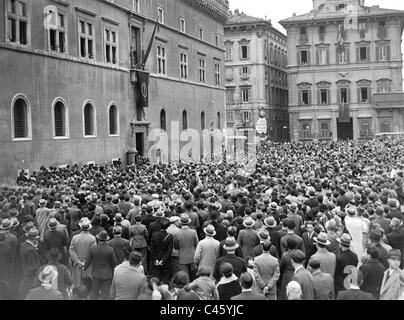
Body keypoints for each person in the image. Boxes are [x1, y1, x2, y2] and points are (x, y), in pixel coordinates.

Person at [84, 230, 117, 300]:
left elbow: (87, 262)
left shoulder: (92, 248)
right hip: (107, 275)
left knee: (94, 293)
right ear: (106, 240)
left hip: (96, 274)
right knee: (105, 294)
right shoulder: (110, 250)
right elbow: (114, 263)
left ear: (98, 239)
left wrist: (84, 268)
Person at [69, 218, 96, 289]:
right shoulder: (92, 238)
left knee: (77, 282)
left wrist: (77, 262)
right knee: (87, 281)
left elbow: (71, 250)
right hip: (88, 264)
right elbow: (93, 252)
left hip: (77, 263)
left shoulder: (75, 237)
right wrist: (85, 263)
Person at [174, 214, 199, 282]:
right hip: (192, 255)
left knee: (185, 276)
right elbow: (197, 244)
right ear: (188, 222)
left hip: (182, 257)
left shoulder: (176, 234)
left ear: (181, 222)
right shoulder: (193, 232)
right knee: (194, 276)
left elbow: (176, 247)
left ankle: (187, 289)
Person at [19, 227, 42, 299]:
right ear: (34, 239)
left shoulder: (23, 244)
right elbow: (33, 267)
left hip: (25, 273)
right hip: (31, 278)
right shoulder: (31, 250)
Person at [150, 218, 174, 284]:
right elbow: (169, 250)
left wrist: (155, 260)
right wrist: (163, 260)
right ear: (168, 226)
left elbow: (152, 249)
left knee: (156, 279)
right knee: (166, 280)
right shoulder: (170, 236)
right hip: (166, 261)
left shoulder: (154, 235)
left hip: (156, 260)